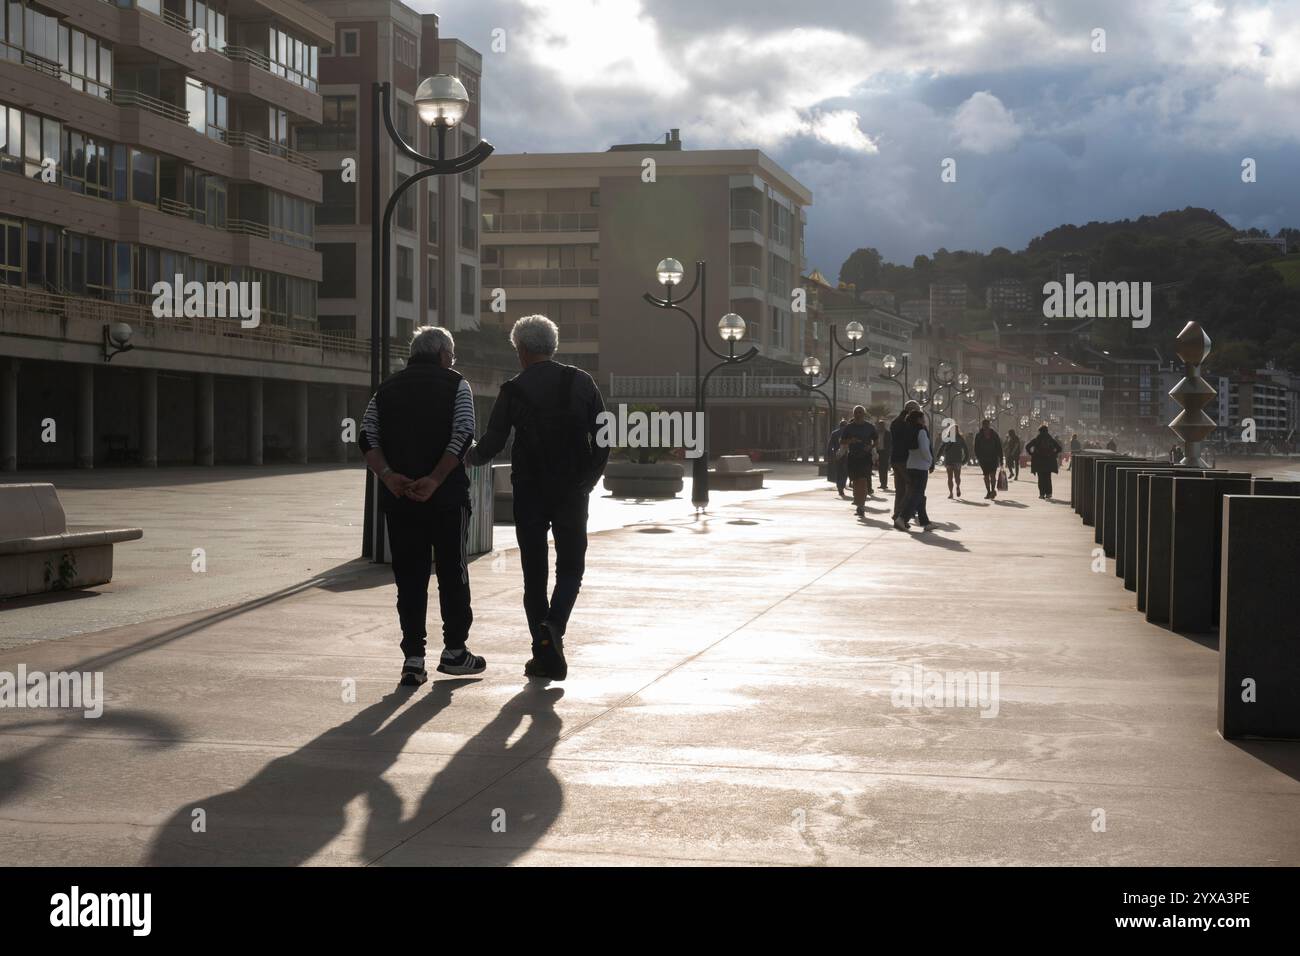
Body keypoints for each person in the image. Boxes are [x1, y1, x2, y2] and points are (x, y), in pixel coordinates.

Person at [467, 315, 609, 681]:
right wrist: (590, 478)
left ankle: (543, 651)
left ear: (523, 350)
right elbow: (604, 435)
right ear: (552, 346)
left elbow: (494, 443)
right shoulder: (582, 381)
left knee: (535, 575)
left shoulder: (513, 389)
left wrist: (465, 456)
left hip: (529, 490)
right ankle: (554, 628)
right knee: (571, 568)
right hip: (572, 490)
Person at [360, 326, 484, 686]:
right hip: (445, 499)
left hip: (400, 500)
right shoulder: (456, 384)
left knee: (409, 578)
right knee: (452, 571)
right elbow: (463, 434)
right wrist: (435, 479)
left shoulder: (386, 389)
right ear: (444, 355)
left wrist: (388, 475)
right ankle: (455, 651)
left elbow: (367, 435)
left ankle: (413, 658)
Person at [895, 409, 936, 531]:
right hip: (921, 466)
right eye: (923, 418)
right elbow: (924, 449)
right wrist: (929, 460)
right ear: (918, 419)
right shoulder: (921, 431)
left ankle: (925, 522)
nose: (924, 420)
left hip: (911, 465)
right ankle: (902, 518)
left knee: (919, 495)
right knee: (917, 494)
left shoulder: (909, 430)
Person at [840, 405, 878, 517]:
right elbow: (842, 441)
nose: (858, 414)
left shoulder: (870, 427)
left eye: (860, 412)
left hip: (865, 457)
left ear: (864, 414)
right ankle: (858, 504)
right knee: (856, 481)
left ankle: (861, 505)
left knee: (863, 480)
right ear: (853, 414)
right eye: (856, 412)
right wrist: (850, 440)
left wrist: (870, 448)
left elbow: (876, 441)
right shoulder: (849, 427)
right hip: (853, 458)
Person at [890, 400, 921, 519]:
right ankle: (899, 512)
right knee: (911, 487)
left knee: (900, 489)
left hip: (895, 459)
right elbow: (911, 442)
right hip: (905, 460)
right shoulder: (908, 424)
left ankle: (901, 511)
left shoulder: (895, 422)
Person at [1026, 423, 1063, 499]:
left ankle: (1042, 494)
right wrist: (1053, 453)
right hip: (1049, 461)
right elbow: (1059, 448)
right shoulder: (1051, 439)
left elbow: (1027, 446)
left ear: (1039, 431)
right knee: (1048, 477)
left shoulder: (1037, 439)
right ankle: (1049, 493)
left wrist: (1032, 453)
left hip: (1039, 461)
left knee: (1041, 478)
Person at [973, 419, 1003, 499]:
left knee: (992, 475)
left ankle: (992, 491)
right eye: (985, 425)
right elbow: (976, 447)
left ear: (989, 425)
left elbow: (999, 447)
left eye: (987, 425)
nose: (986, 427)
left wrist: (1001, 459)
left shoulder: (994, 434)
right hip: (983, 459)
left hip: (993, 458)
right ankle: (989, 491)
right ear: (982, 426)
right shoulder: (979, 435)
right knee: (986, 476)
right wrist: (978, 457)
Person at [938, 424, 968, 498]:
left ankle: (957, 486)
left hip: (957, 460)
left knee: (957, 477)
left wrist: (965, 459)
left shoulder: (960, 438)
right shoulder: (947, 438)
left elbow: (965, 449)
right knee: (950, 477)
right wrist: (938, 455)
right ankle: (951, 493)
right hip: (949, 460)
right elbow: (942, 447)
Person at [826, 418, 849, 497]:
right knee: (845, 472)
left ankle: (840, 487)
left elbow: (830, 445)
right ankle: (841, 485)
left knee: (839, 471)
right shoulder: (849, 433)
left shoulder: (834, 433)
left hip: (837, 455)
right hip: (847, 455)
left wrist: (830, 455)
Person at [875, 419, 891, 491]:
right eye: (879, 425)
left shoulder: (888, 433)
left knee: (884, 468)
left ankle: (884, 484)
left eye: (882, 425)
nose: (880, 426)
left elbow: (890, 443)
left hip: (885, 452)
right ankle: (882, 483)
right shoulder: (876, 433)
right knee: (880, 468)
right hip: (878, 452)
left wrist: (889, 452)